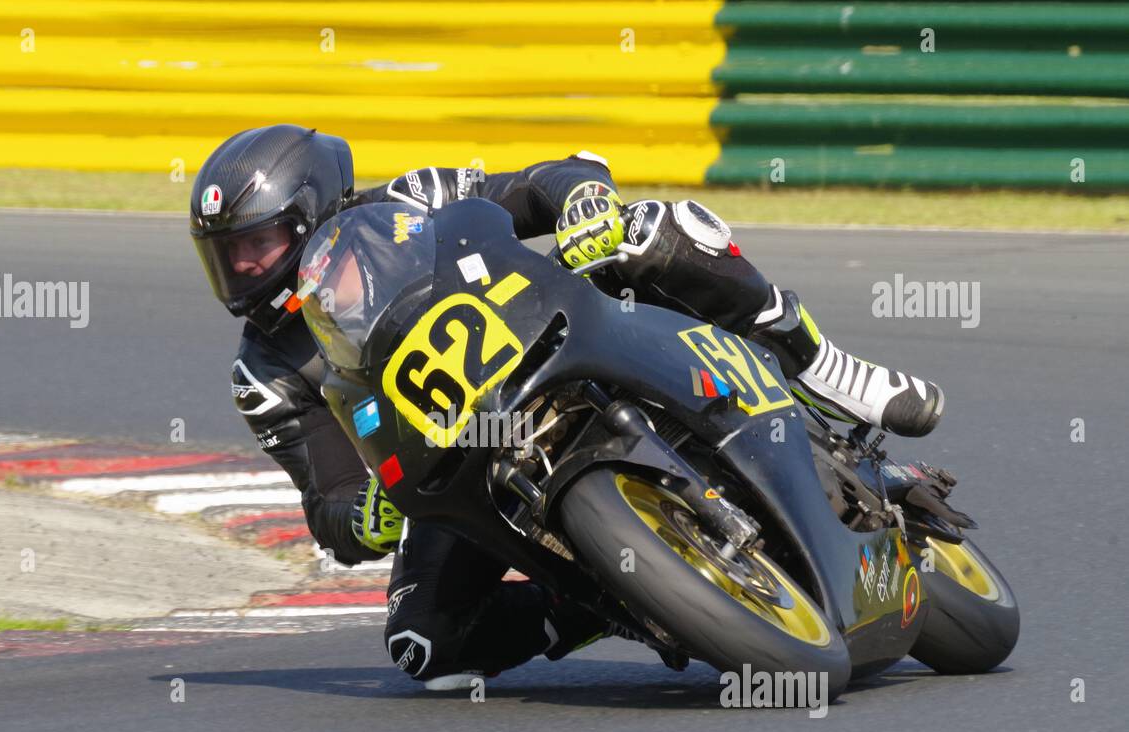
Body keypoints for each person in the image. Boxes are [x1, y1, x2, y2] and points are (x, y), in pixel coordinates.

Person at [190, 124, 945, 687]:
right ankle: (612, 597)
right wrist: (369, 514)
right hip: (461, 462)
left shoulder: (407, 205)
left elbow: (544, 180)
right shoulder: (265, 373)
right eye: (228, 256)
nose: (245, 270)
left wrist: (584, 202)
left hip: (554, 326)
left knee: (655, 231)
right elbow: (330, 506)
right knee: (425, 646)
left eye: (256, 244)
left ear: (312, 213)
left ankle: (824, 368)